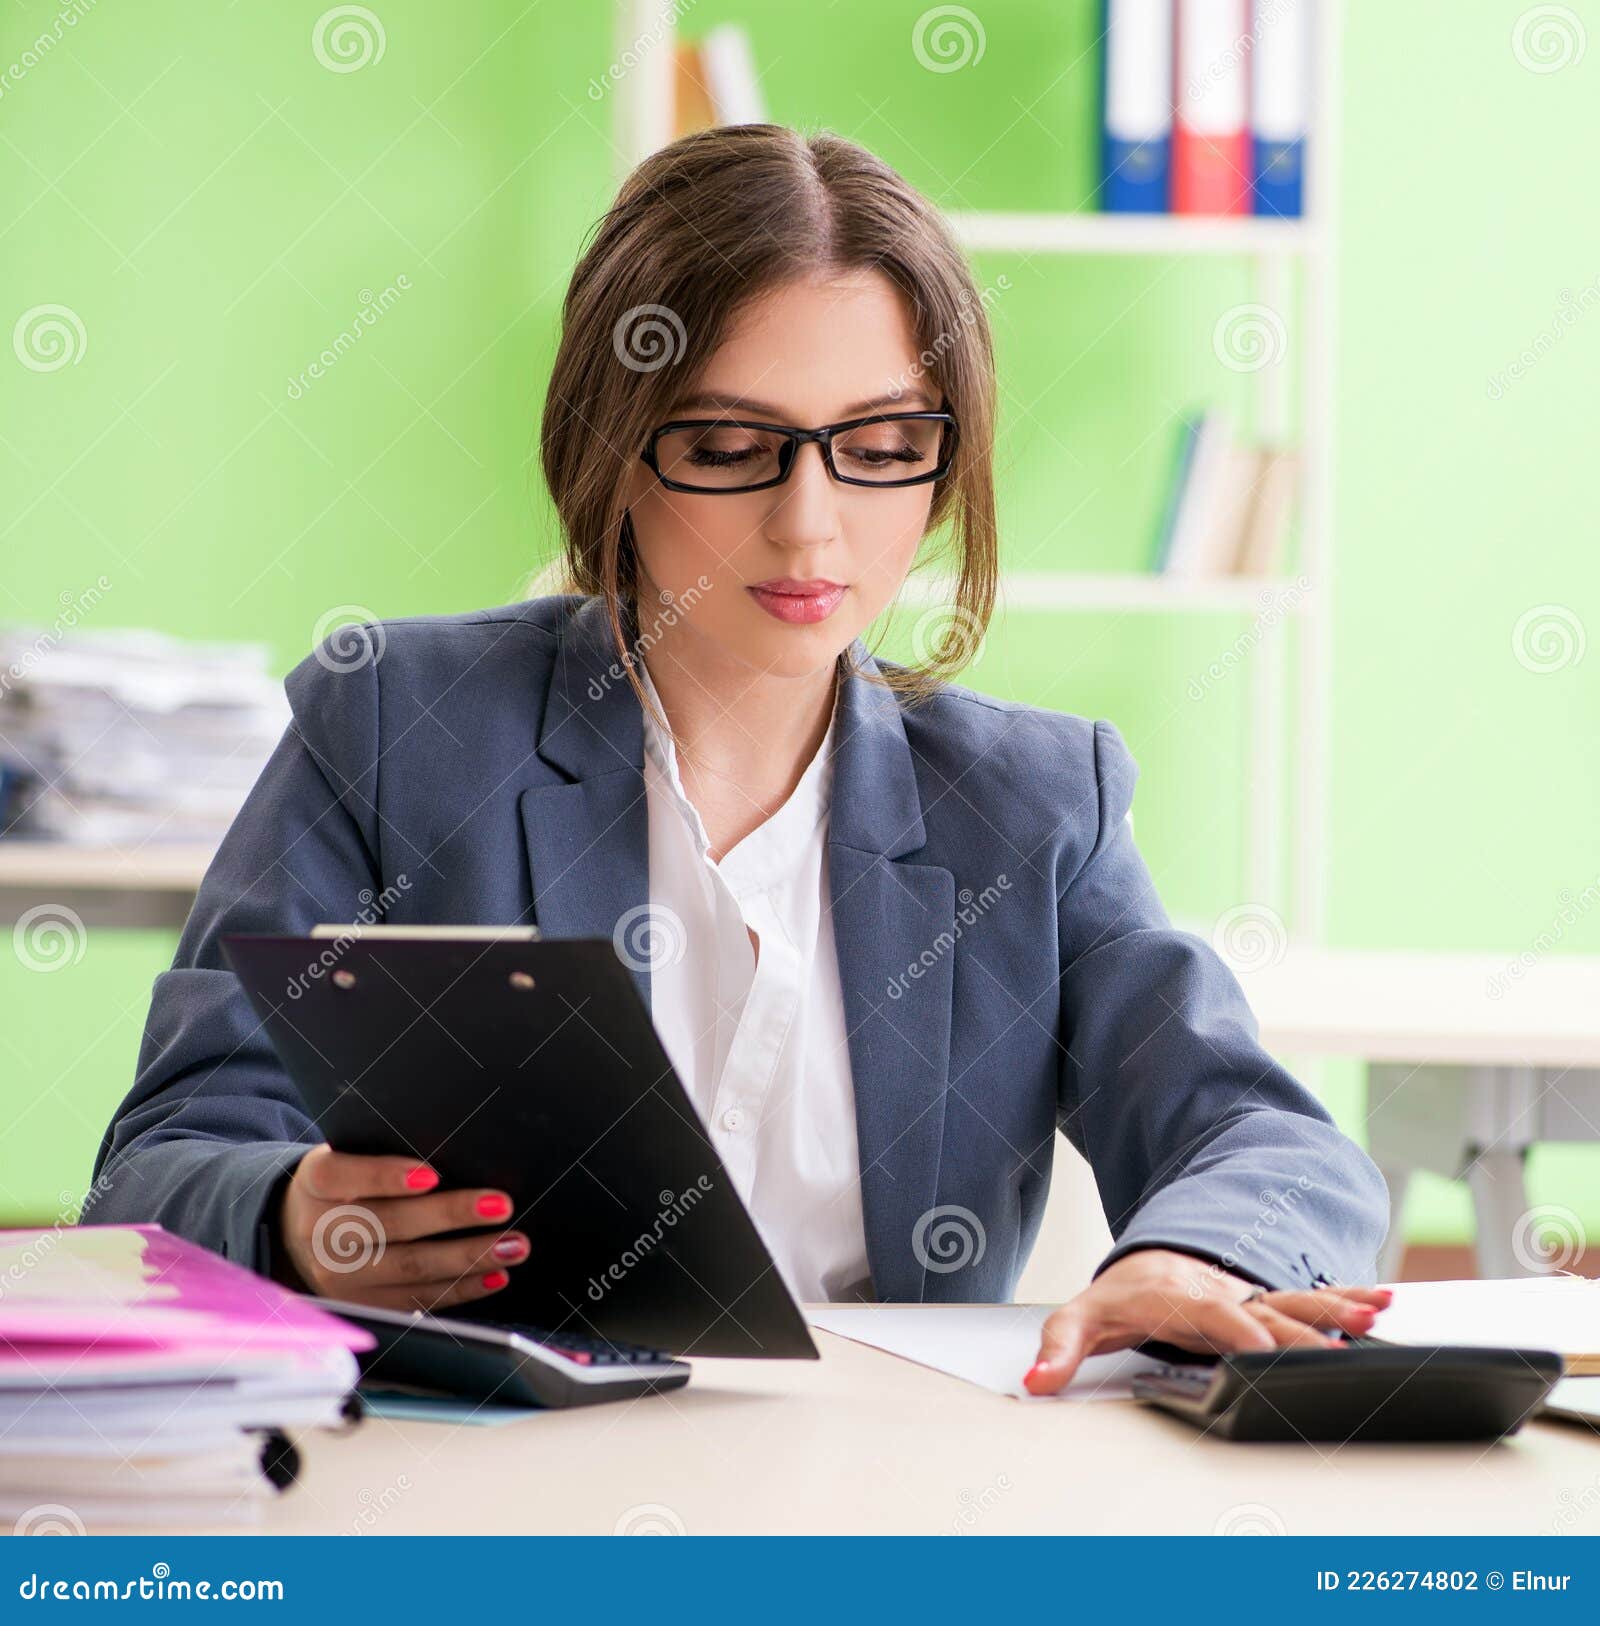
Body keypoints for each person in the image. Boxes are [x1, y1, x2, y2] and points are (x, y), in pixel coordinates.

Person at [86, 124, 1390, 1394]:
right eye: (726, 448)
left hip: (896, 1493)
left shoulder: (1033, 804)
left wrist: (1184, 1252)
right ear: (615, 452)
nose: (809, 525)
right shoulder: (397, 728)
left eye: (879, 450)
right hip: (489, 1478)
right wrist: (298, 1216)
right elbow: (158, 1169)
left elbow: (1271, 1141)